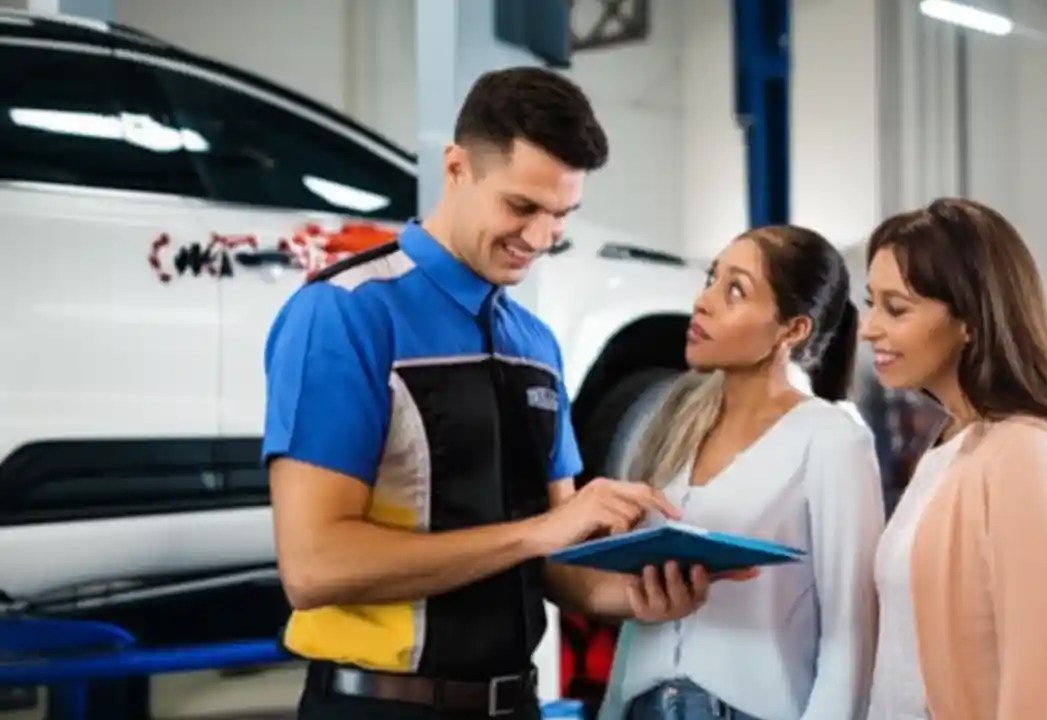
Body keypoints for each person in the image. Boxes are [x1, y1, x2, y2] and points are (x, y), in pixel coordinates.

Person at [263, 67, 733, 720]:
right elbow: (314, 568)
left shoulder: (534, 344)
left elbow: (558, 565)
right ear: (458, 168)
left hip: (516, 706)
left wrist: (640, 593)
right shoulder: (347, 314)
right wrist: (538, 533)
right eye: (522, 207)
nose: (540, 239)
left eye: (561, 216)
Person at [600, 225, 886, 720]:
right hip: (641, 704)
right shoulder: (674, 423)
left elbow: (852, 632)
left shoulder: (832, 438)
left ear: (793, 330)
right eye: (711, 279)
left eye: (735, 290)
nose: (703, 302)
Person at [859, 197, 1047, 720]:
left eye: (895, 308)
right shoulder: (951, 444)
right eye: (871, 302)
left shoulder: (1026, 456)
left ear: (970, 321)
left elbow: (1041, 699)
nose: (870, 327)